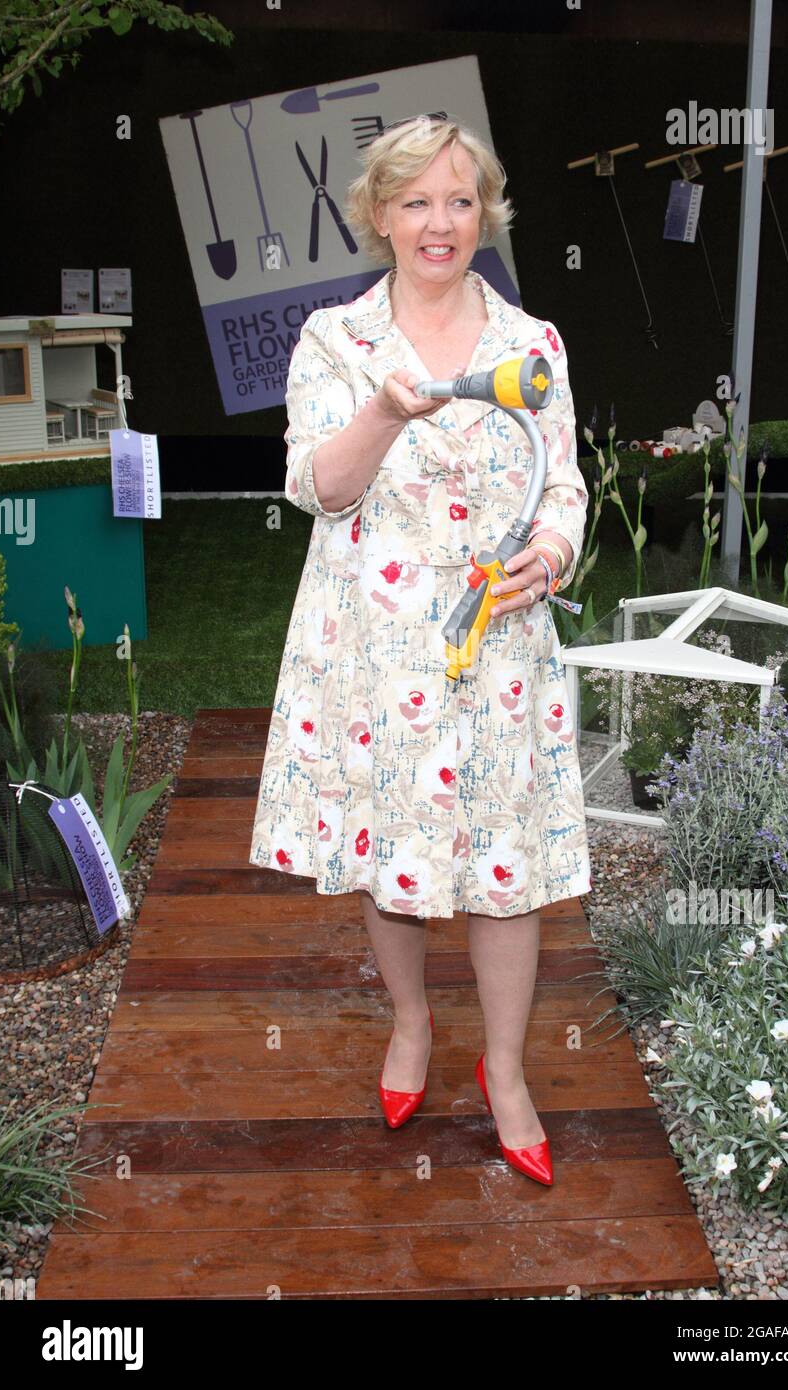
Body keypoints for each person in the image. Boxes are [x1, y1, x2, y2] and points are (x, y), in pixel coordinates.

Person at [249, 114, 591, 1185]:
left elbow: (564, 485)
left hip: (496, 644)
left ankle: (506, 1069)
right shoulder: (335, 343)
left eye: (457, 200)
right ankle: (409, 1024)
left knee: (506, 870)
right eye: (415, 202)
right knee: (388, 853)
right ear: (379, 217)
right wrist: (385, 416)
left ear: (482, 209)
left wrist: (552, 551)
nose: (438, 223)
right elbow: (317, 486)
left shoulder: (530, 344)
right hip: (378, 647)